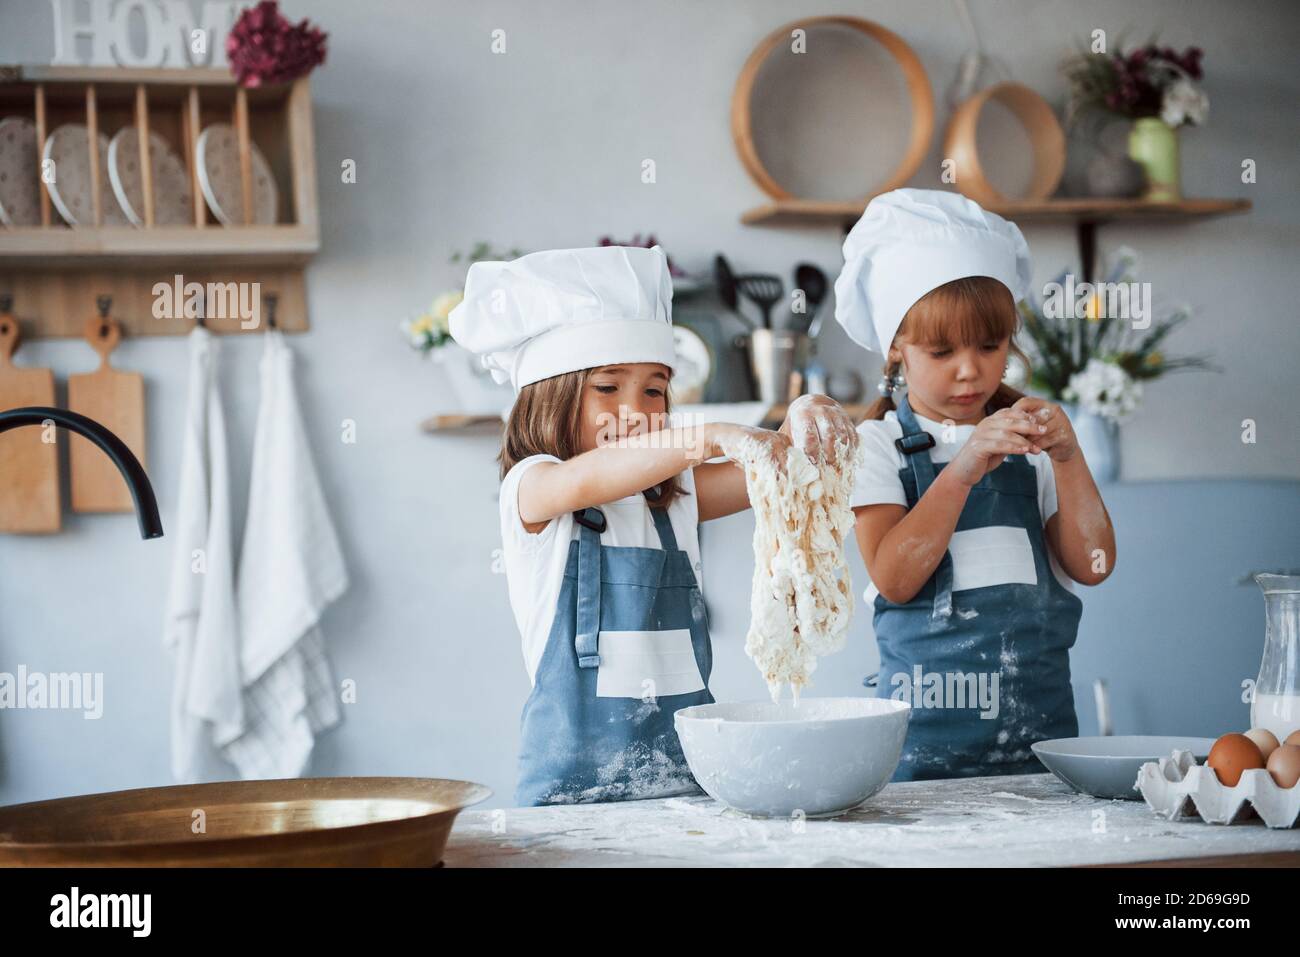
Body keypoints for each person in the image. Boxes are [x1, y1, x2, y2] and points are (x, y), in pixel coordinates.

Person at [450, 244, 857, 805]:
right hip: (570, 805)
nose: (635, 409)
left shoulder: (676, 500)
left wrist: (804, 419)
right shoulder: (535, 490)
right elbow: (597, 475)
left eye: (655, 389)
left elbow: (783, 469)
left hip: (687, 789)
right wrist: (710, 436)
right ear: (550, 396)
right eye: (608, 387)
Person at [833, 189, 1117, 781]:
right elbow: (896, 576)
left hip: (1042, 751)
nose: (970, 369)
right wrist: (962, 469)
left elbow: (1093, 565)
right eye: (942, 350)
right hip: (920, 756)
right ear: (896, 350)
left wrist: (1068, 458)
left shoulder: (1032, 444)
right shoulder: (876, 447)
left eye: (990, 346)